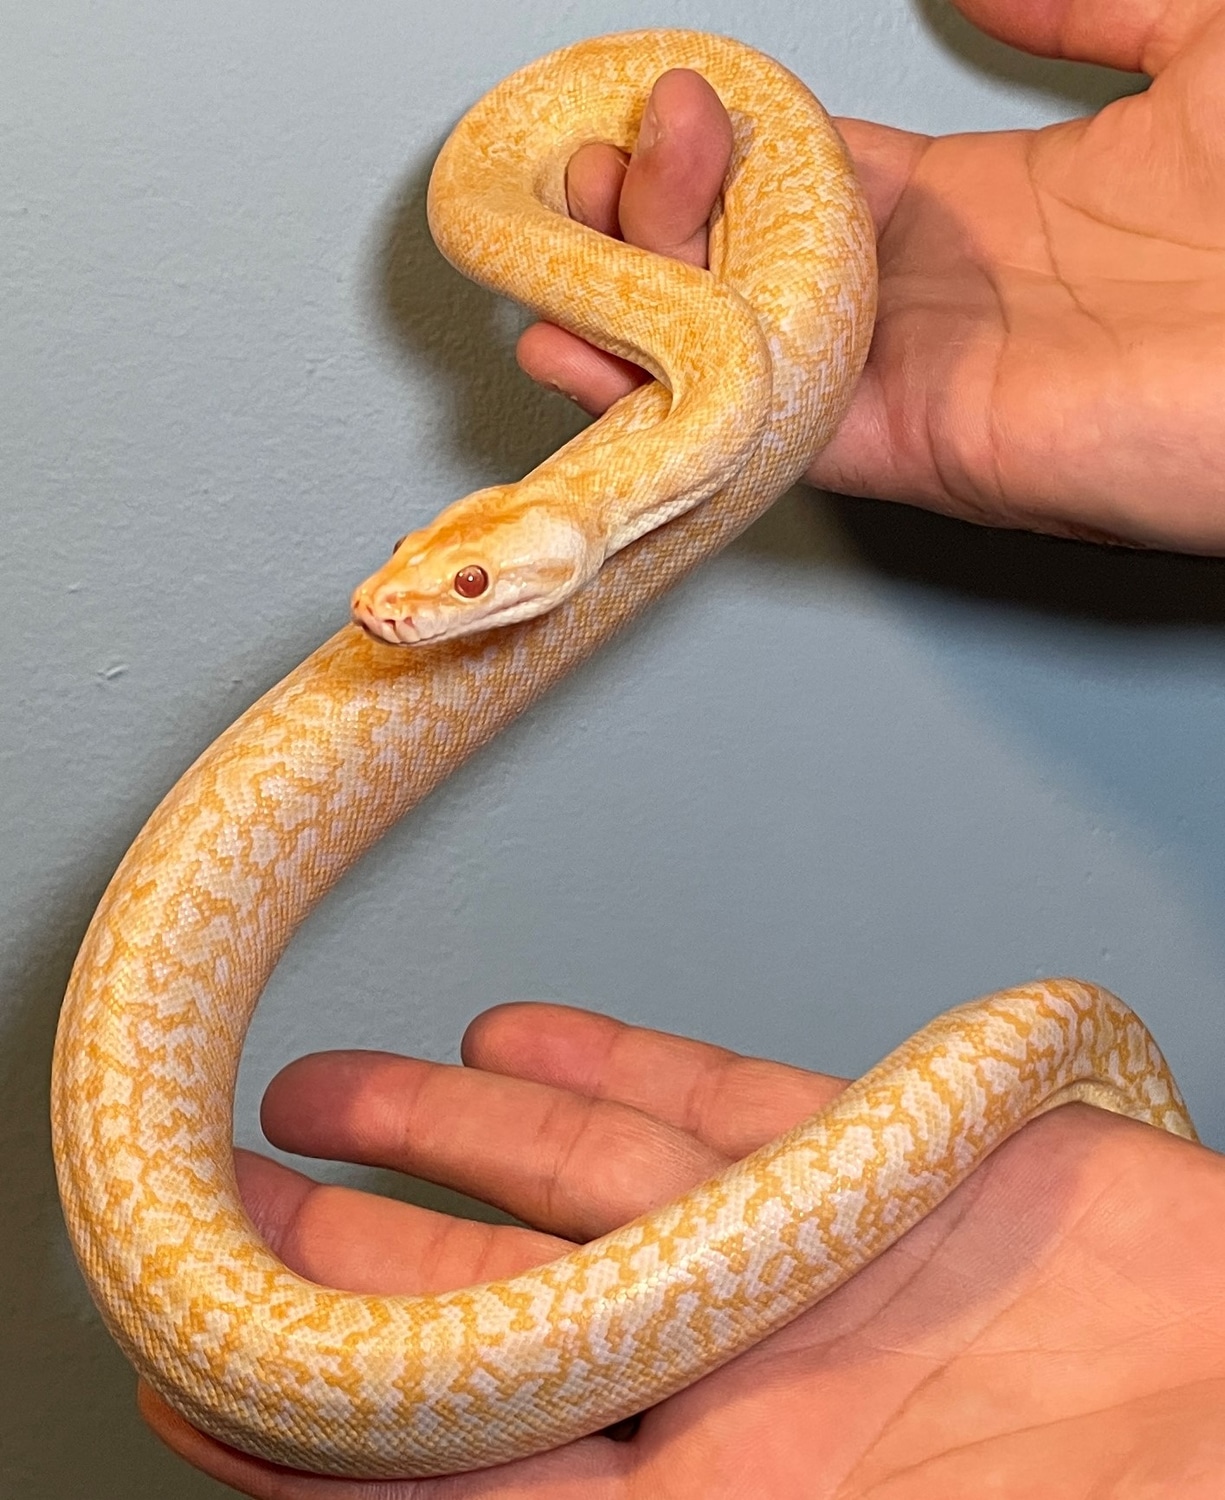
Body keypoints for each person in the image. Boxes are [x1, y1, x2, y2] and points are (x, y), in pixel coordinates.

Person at [140, 0, 1225, 1493]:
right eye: (434, 565)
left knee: (1052, 1021)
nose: (404, 606)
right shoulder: (683, 405)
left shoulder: (682, 432)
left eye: (460, 586)